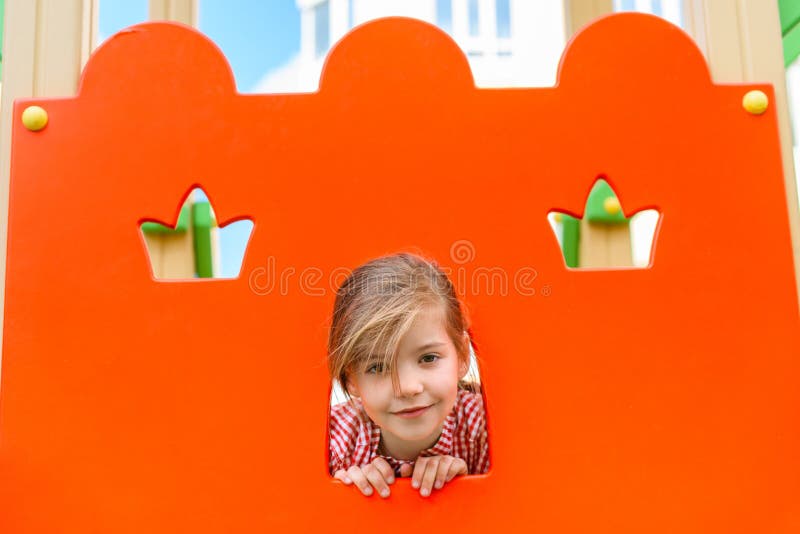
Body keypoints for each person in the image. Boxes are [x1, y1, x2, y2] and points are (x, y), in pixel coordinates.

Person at [327, 253, 489, 498]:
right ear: (351, 379)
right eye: (378, 367)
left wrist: (466, 491)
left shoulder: (481, 428)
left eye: (428, 358)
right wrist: (340, 499)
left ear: (462, 356)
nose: (407, 387)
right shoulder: (337, 442)